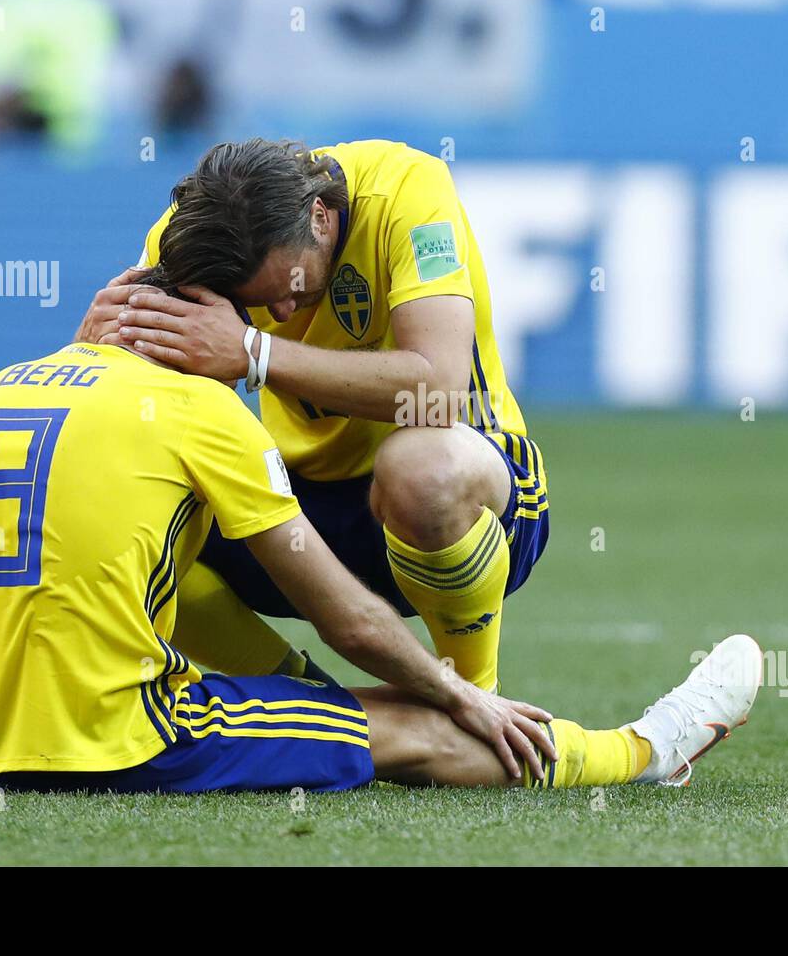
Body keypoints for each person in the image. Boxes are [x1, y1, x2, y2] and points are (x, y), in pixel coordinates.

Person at [0, 282, 762, 793]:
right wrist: (457, 693)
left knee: (171, 562)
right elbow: (351, 620)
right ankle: (649, 750)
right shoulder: (199, 409)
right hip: (120, 741)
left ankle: (311, 705)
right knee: (437, 733)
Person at [75, 139, 547, 695]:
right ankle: (315, 699)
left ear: (320, 217)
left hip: (473, 502)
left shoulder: (407, 189)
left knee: (420, 469)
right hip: (299, 511)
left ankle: (475, 698)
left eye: (288, 291)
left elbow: (438, 389)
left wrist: (255, 352)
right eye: (257, 304)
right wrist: (91, 346)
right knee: (124, 501)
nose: (279, 314)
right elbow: (112, 402)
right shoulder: (189, 237)